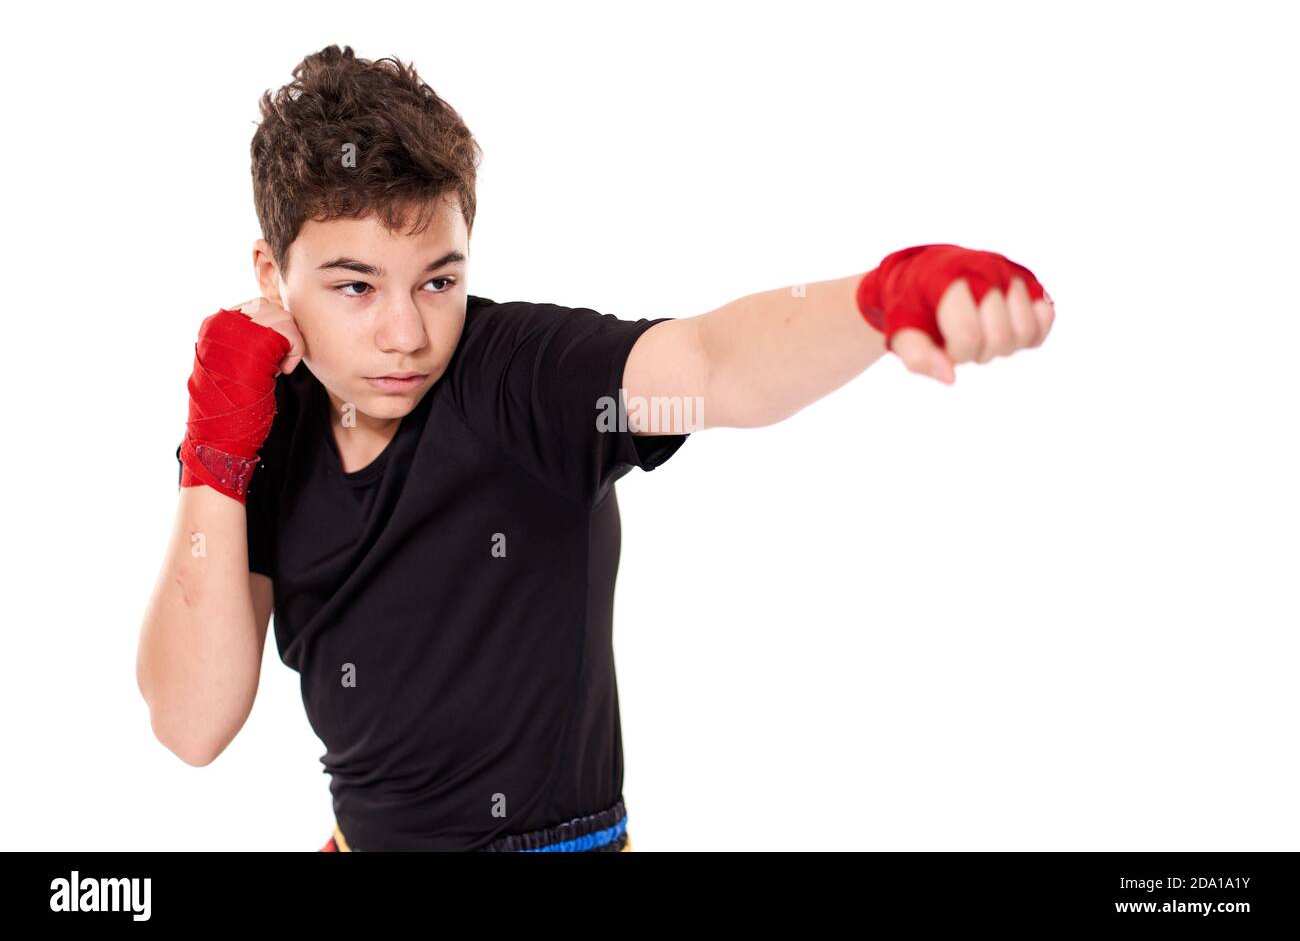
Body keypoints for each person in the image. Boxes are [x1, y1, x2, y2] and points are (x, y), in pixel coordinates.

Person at [136, 45, 1054, 852]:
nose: (406, 335)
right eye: (354, 287)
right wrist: (213, 451)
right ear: (270, 274)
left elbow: (709, 361)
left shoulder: (516, 379)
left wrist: (880, 298)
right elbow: (190, 723)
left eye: (438, 279)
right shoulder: (262, 420)